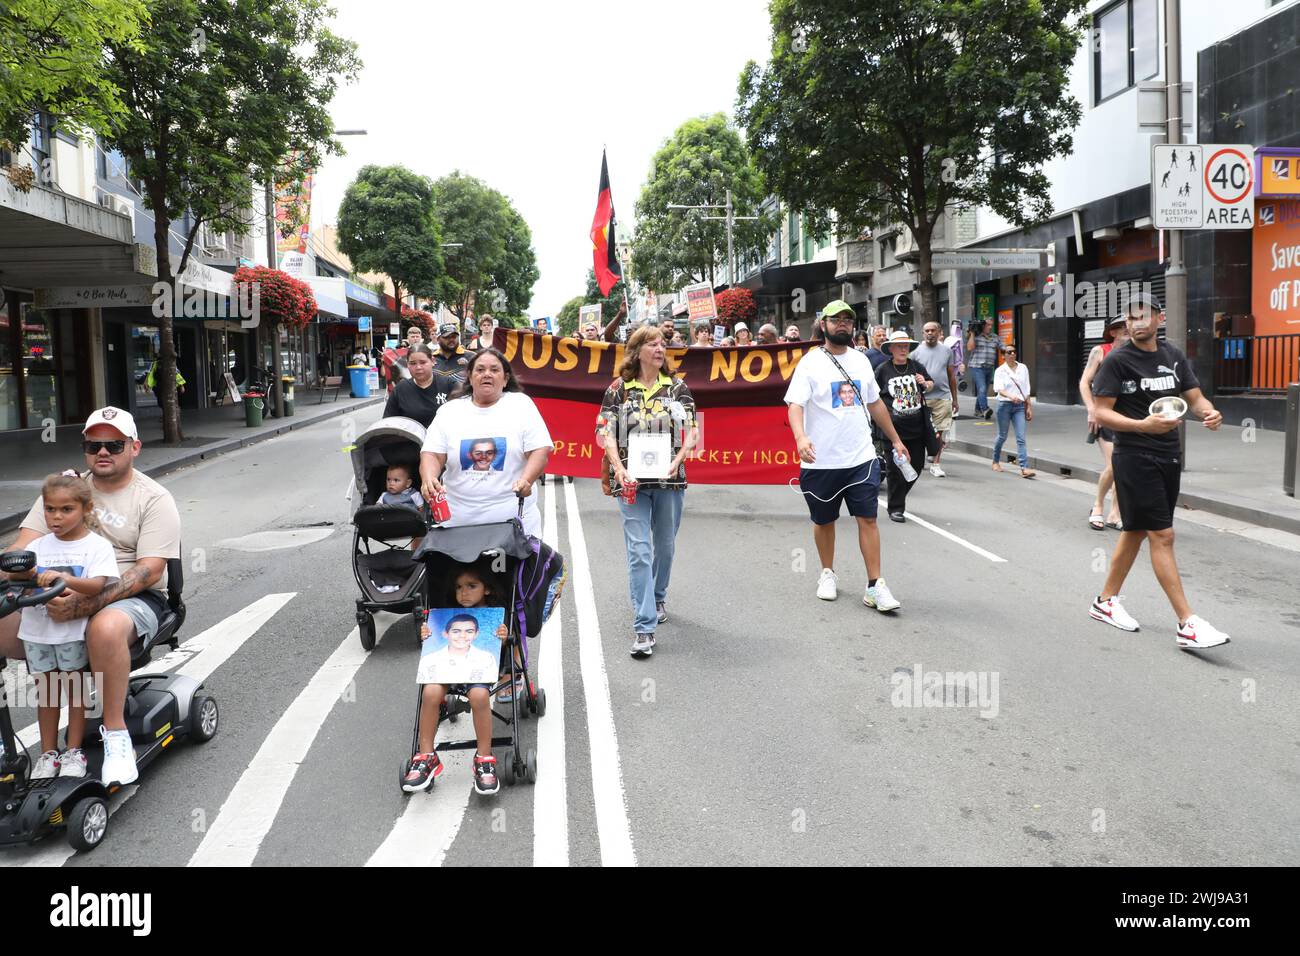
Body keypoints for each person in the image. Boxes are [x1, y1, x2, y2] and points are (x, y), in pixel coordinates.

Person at [0, 407, 181, 786]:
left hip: (132, 597)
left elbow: (149, 570)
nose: (103, 452)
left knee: (104, 628)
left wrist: (85, 604)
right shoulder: (65, 490)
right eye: (93, 444)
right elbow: (21, 551)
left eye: (113, 444)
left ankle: (115, 734)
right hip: (54, 593)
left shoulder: (154, 498)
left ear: (134, 447)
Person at [1089, 294, 1231, 649]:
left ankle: (1105, 602)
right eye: (1131, 317)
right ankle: (1187, 623)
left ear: (1158, 318)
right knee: (1162, 535)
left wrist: (1209, 413)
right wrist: (1141, 426)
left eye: (1144, 316)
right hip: (1135, 456)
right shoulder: (1118, 361)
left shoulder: (1173, 356)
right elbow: (1101, 412)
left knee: (1136, 531)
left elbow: (1194, 397)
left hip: (1169, 454)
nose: (1137, 323)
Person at [785, 300, 909, 612]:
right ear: (822, 325)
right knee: (824, 519)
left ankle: (874, 585)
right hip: (822, 460)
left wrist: (895, 440)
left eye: (847, 320)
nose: (842, 324)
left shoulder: (861, 361)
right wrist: (800, 437)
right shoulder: (810, 363)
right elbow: (795, 405)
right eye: (835, 319)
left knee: (868, 518)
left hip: (860, 457)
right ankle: (827, 573)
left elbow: (875, 404)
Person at [598, 325, 699, 658]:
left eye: (662, 344)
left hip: (670, 481)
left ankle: (657, 596)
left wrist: (680, 458)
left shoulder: (678, 388)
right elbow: (605, 433)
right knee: (639, 550)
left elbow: (693, 432)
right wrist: (619, 467)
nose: (660, 348)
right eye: (652, 344)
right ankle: (644, 627)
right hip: (632, 484)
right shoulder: (618, 390)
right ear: (637, 350)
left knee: (665, 547)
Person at [12, 473, 118, 780]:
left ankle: (73, 751)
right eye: (49, 509)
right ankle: (48, 754)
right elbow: (18, 579)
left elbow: (97, 584)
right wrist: (26, 574)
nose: (56, 517)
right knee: (46, 693)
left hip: (70, 633)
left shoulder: (95, 546)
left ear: (86, 509)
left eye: (66, 509)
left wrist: (64, 579)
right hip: (36, 633)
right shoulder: (38, 546)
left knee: (74, 690)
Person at [419, 348, 553, 538]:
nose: (487, 374)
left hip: (513, 523)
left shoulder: (521, 405)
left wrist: (527, 480)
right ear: (470, 377)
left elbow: (540, 450)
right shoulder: (450, 411)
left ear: (505, 379)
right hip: (458, 522)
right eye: (480, 370)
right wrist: (429, 479)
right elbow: (432, 453)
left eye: (494, 370)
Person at [406, 582, 509, 795]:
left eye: (472, 586)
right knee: (430, 692)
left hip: (477, 672)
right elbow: (430, 645)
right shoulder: (442, 617)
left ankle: (483, 758)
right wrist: (426, 633)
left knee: (480, 695)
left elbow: (500, 650)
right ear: (445, 633)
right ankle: (427, 755)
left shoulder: (488, 640)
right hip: (443, 670)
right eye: (459, 587)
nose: (464, 592)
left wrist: (504, 638)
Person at [876, 330, 935, 522]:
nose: (903, 349)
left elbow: (931, 384)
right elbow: (872, 396)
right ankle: (896, 508)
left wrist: (925, 383)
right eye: (899, 346)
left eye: (906, 346)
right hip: (892, 428)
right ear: (891, 348)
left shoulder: (916, 366)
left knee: (916, 467)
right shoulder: (882, 369)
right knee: (894, 469)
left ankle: (899, 496)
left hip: (916, 427)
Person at [1079, 315, 1131, 530]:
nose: (1128, 330)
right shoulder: (1100, 351)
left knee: (1124, 467)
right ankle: (1098, 506)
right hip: (1105, 414)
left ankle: (1114, 513)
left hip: (1128, 416)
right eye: (1123, 328)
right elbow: (1084, 382)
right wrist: (1092, 409)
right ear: (1113, 332)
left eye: (1129, 326)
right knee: (1114, 465)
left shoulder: (1136, 354)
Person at [911, 321, 960, 477]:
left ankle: (936, 464)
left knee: (939, 432)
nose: (930, 333)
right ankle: (920, 459)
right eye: (926, 331)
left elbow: (951, 375)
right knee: (920, 431)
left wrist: (955, 399)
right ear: (923, 333)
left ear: (939, 332)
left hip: (943, 397)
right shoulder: (915, 351)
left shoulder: (947, 351)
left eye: (933, 330)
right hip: (921, 398)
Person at [991, 344, 1036, 478]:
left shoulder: (1023, 368)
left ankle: (1024, 468)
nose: (1012, 354)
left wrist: (1029, 406)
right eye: (1009, 352)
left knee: (1021, 438)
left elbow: (1026, 389)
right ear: (1003, 355)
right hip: (1004, 406)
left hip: (1019, 407)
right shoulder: (1000, 370)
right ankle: (995, 461)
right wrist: (1011, 396)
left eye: (1014, 352)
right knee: (1002, 436)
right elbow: (999, 389)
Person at [966, 319, 999, 419]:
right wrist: (972, 332)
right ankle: (985, 409)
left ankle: (977, 410)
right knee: (982, 388)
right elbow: (970, 348)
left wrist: (1010, 351)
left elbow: (1002, 347)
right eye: (988, 325)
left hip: (989, 367)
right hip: (977, 367)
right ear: (982, 325)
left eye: (991, 325)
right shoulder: (976, 336)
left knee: (983, 391)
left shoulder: (995, 337)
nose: (990, 327)